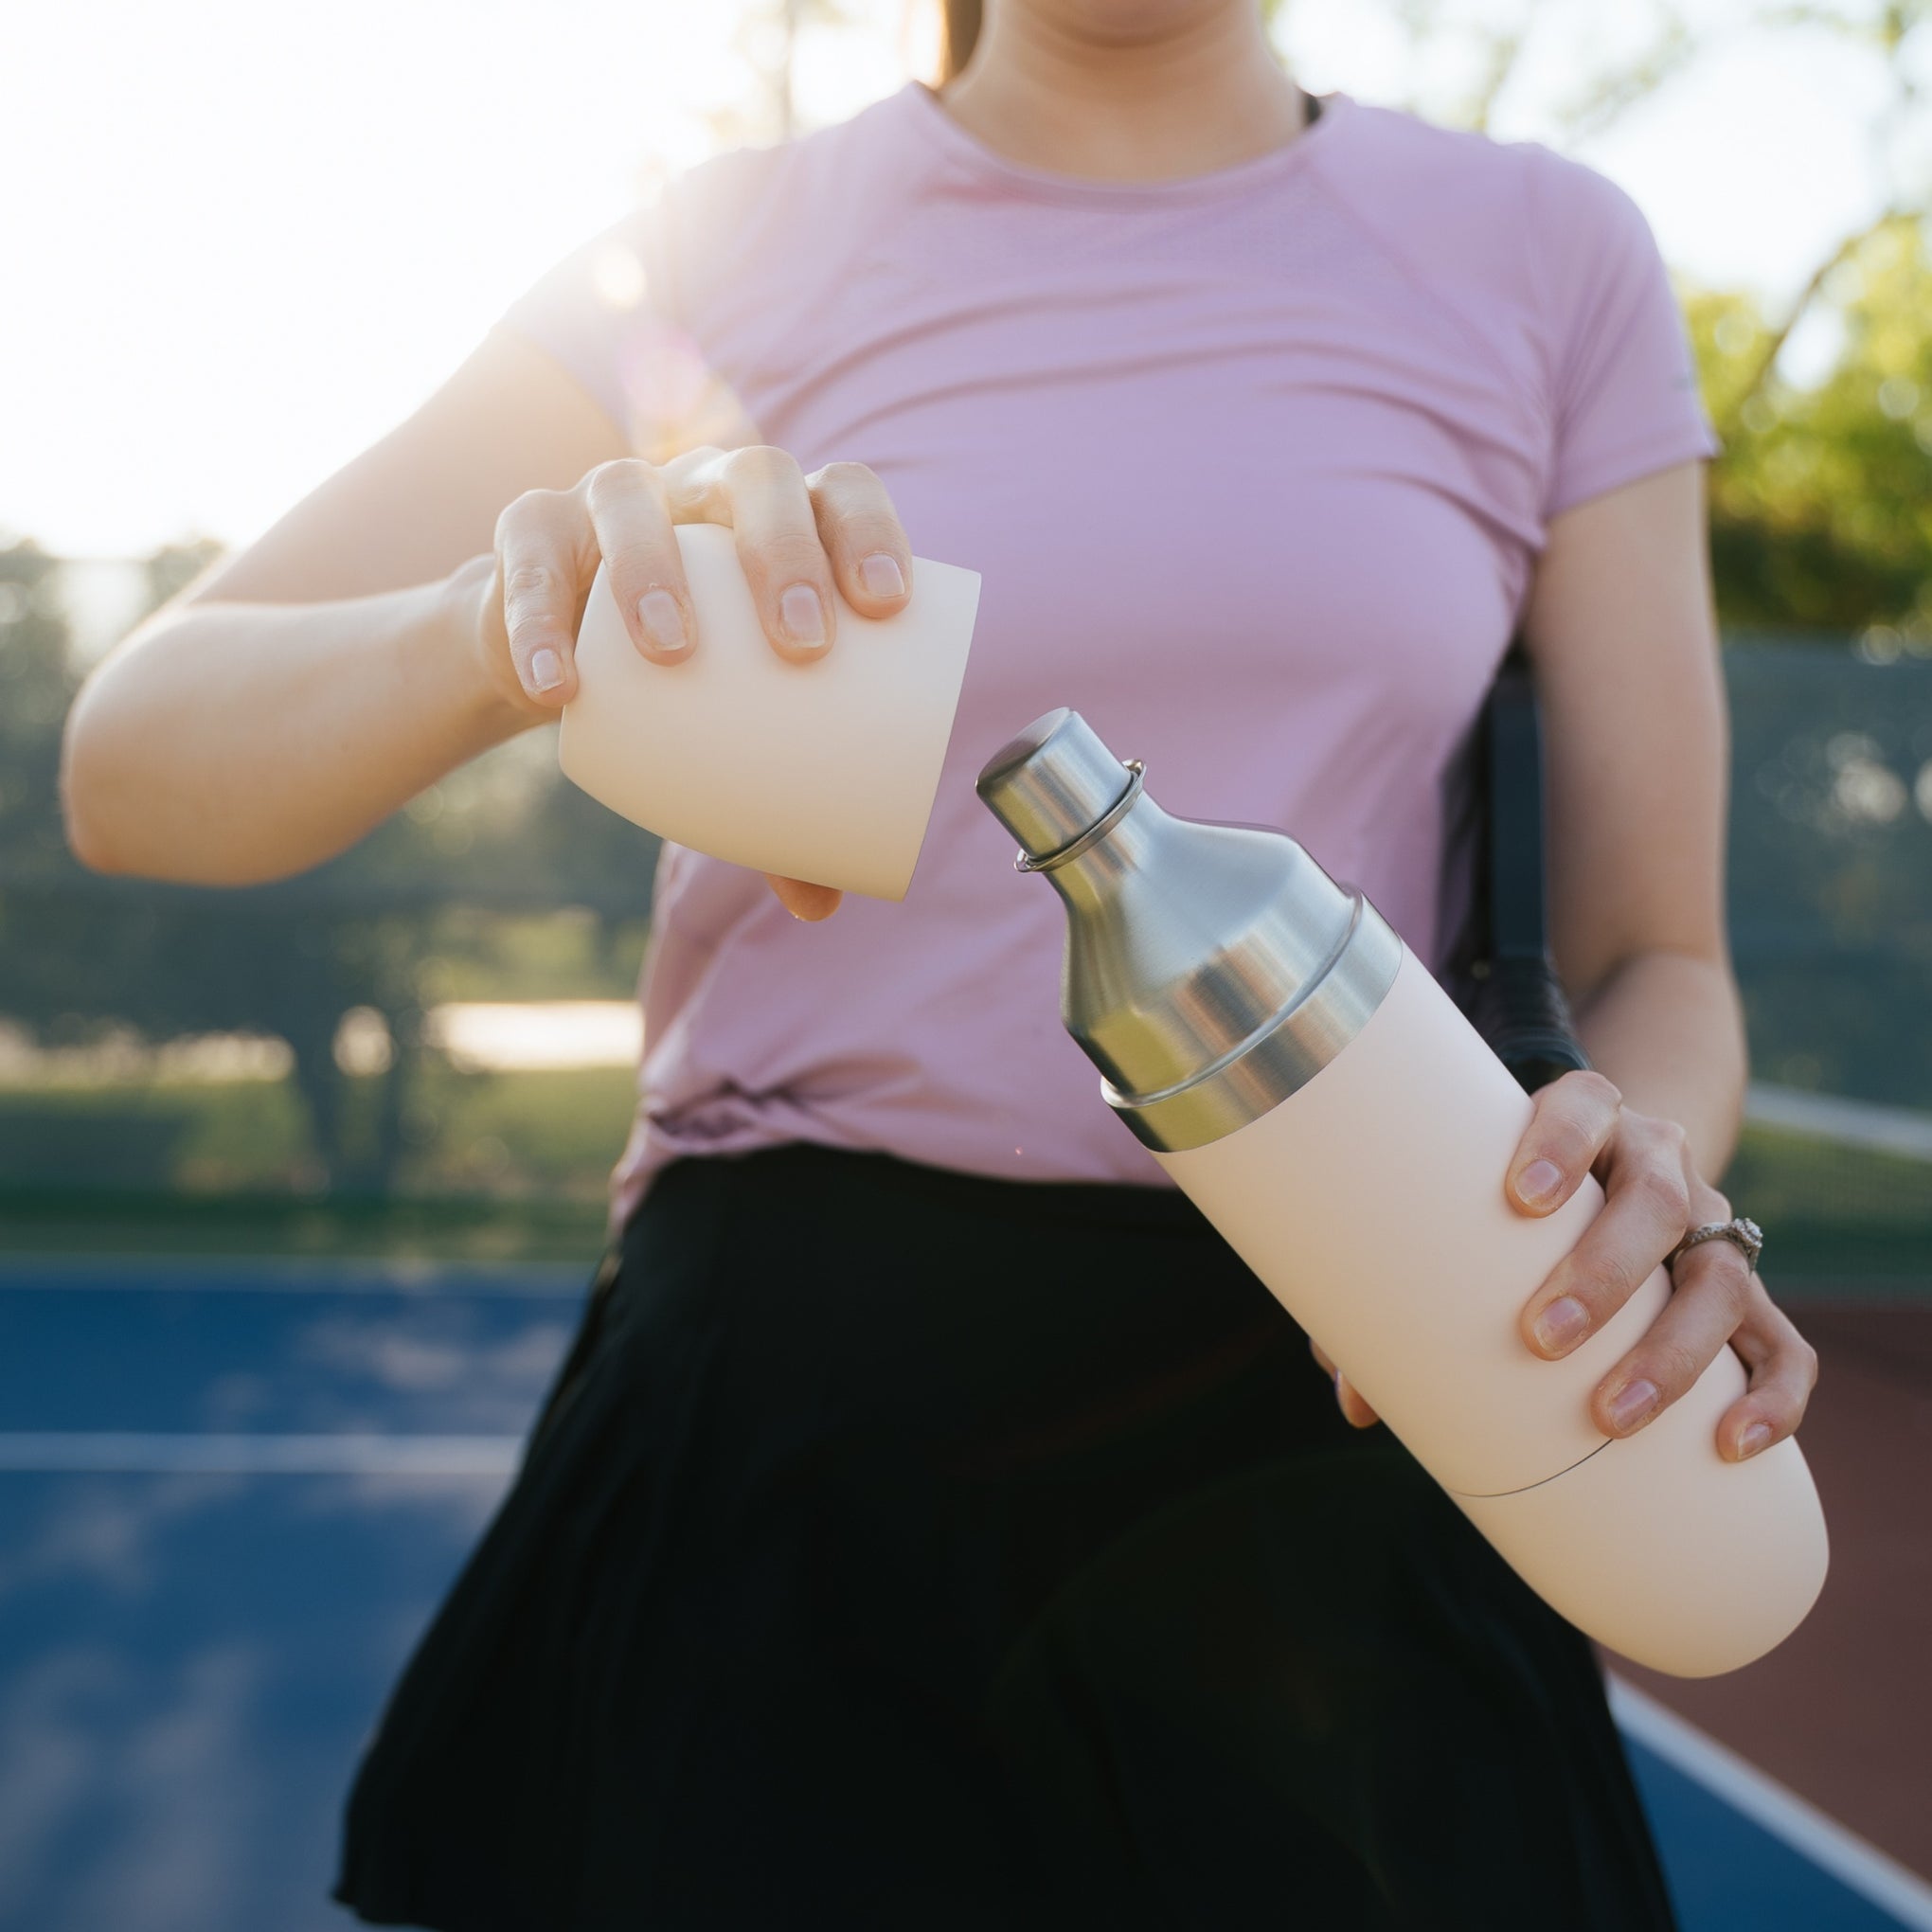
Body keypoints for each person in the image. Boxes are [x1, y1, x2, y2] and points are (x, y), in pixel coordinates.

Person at [62, 1, 1819, 1924]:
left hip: (1358, 1397)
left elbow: (1664, 953)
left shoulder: (1547, 251)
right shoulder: (716, 242)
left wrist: (1626, 1167)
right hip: (784, 1437)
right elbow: (136, 762)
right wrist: (508, 626)